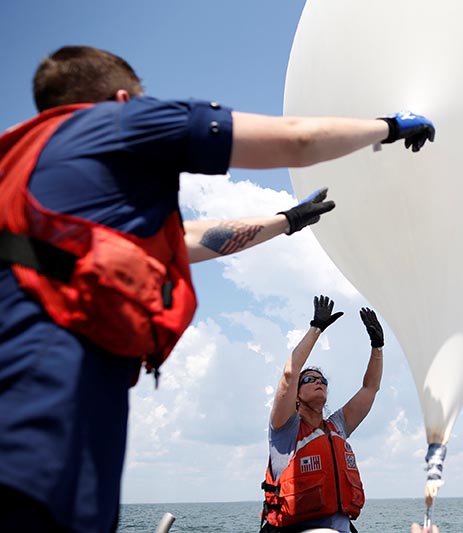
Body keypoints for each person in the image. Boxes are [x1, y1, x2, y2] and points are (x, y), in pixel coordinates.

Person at [0, 45, 435, 533]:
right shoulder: (119, 122)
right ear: (122, 99)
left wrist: (287, 220)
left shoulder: (19, 168)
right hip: (54, 402)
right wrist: (391, 126)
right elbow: (298, 139)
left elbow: (188, 239)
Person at [261, 295, 385, 533]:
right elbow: (290, 374)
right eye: (310, 380)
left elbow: (370, 388)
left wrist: (377, 346)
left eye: (323, 381)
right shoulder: (285, 429)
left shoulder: (338, 426)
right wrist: (316, 328)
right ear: (296, 395)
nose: (319, 382)